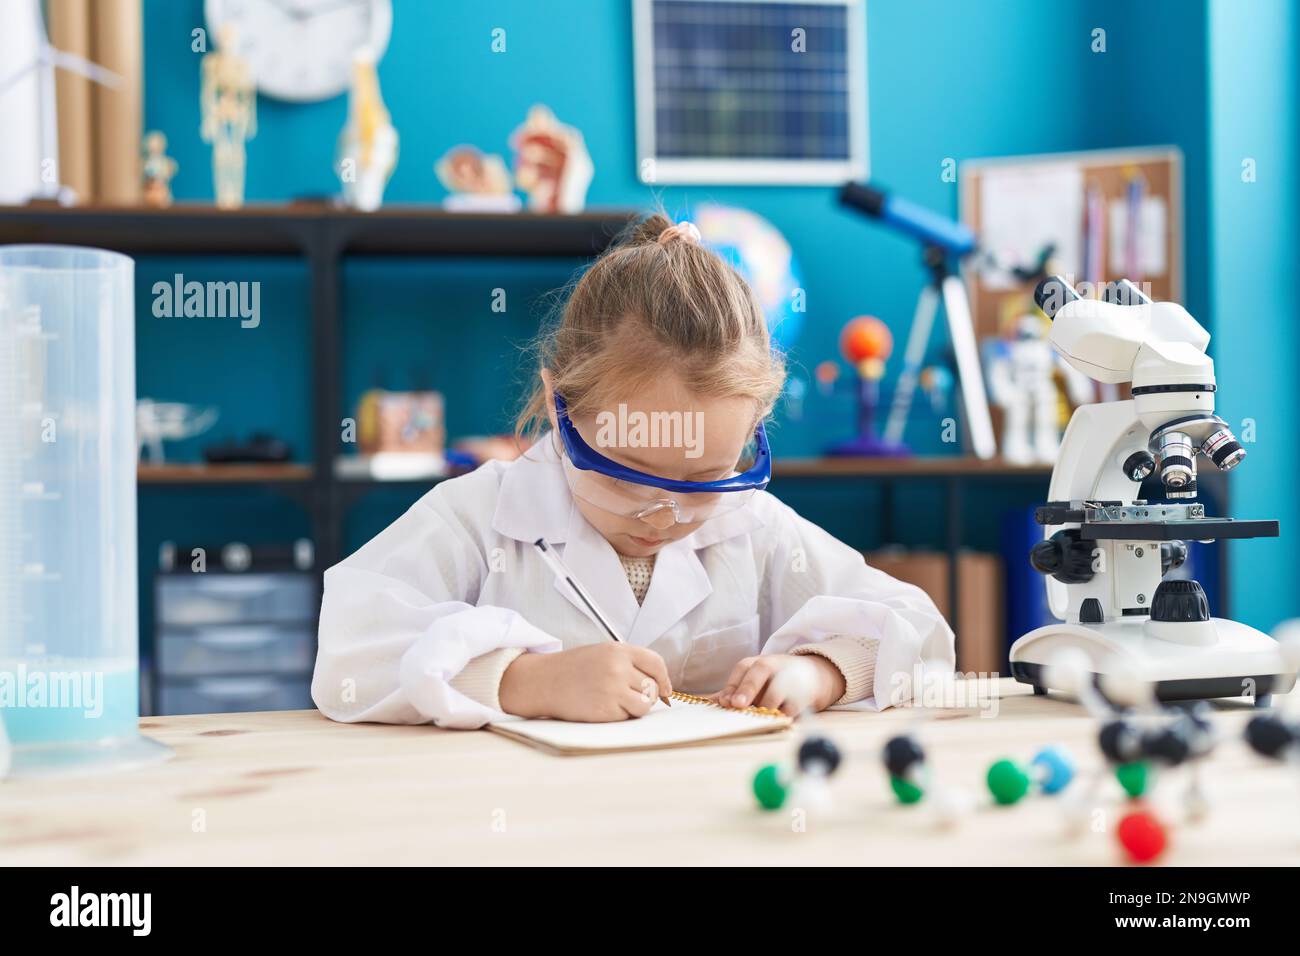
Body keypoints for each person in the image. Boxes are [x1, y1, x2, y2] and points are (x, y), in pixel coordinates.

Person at [312, 214, 954, 729]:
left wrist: (824, 671)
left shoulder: (751, 524)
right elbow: (348, 652)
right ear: (560, 409)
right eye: (625, 475)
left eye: (702, 480)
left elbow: (922, 634)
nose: (663, 513)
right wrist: (521, 681)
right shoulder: (479, 517)